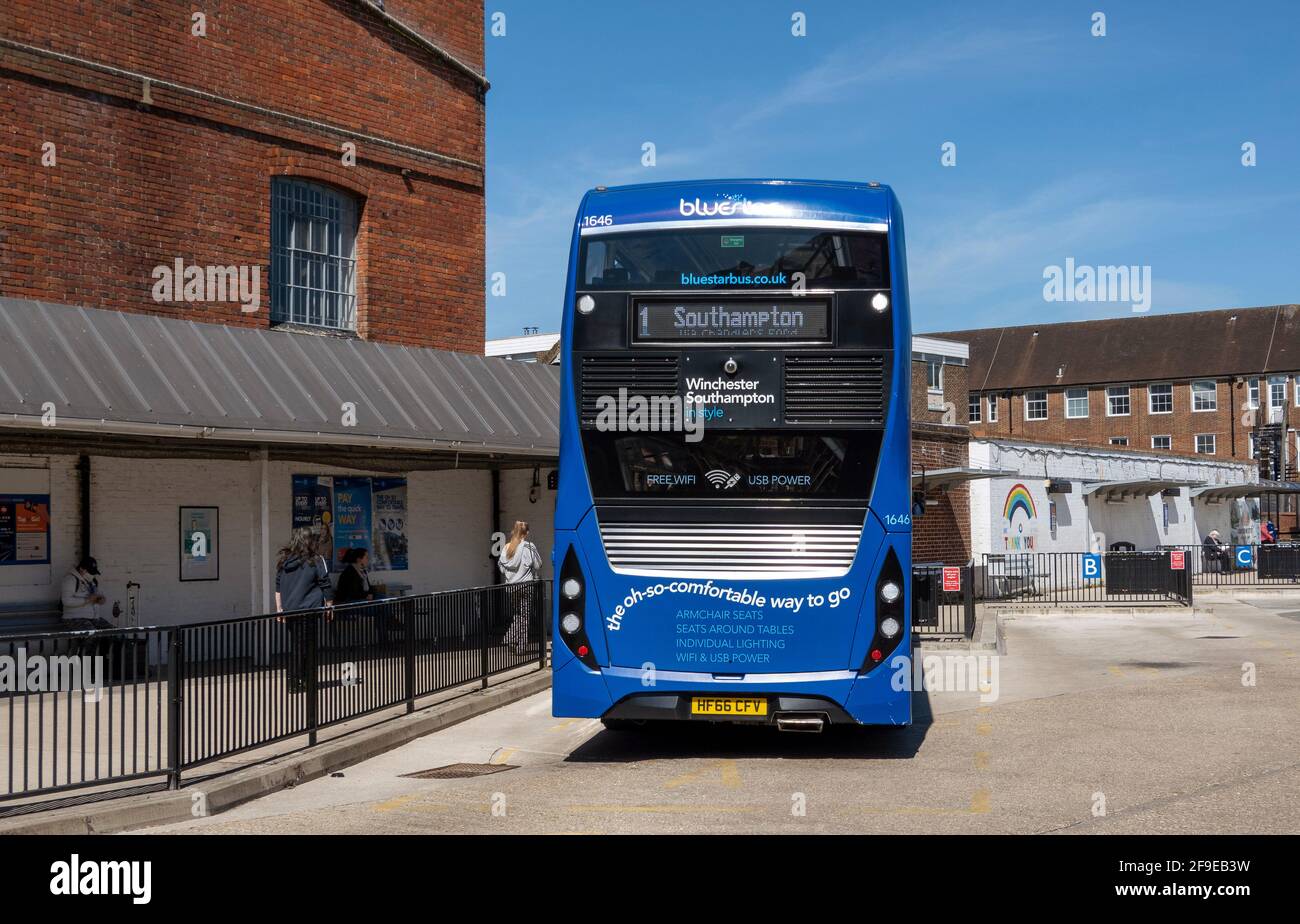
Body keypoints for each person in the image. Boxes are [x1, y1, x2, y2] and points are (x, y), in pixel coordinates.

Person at [275, 527, 333, 692]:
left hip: (291, 610)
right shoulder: (316, 560)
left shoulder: (284, 560)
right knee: (309, 647)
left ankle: (294, 680)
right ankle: (306, 680)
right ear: (310, 541)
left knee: (297, 646)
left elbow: (278, 586)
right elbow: (325, 584)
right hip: (309, 610)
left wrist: (279, 609)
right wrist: (329, 607)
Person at [498, 521, 542, 655]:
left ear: (514, 531)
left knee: (518, 614)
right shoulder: (529, 546)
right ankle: (521, 647)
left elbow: (501, 567)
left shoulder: (506, 547)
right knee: (525, 616)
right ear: (526, 533)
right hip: (526, 586)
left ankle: (510, 638)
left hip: (512, 588)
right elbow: (538, 565)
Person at [61, 556, 106, 621]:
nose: (92, 575)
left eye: (93, 573)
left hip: (94, 618)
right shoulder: (70, 579)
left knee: (114, 631)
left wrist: (101, 599)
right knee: (92, 631)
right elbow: (66, 601)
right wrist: (87, 600)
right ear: (81, 569)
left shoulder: (91, 581)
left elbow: (97, 596)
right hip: (74, 618)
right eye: (90, 572)